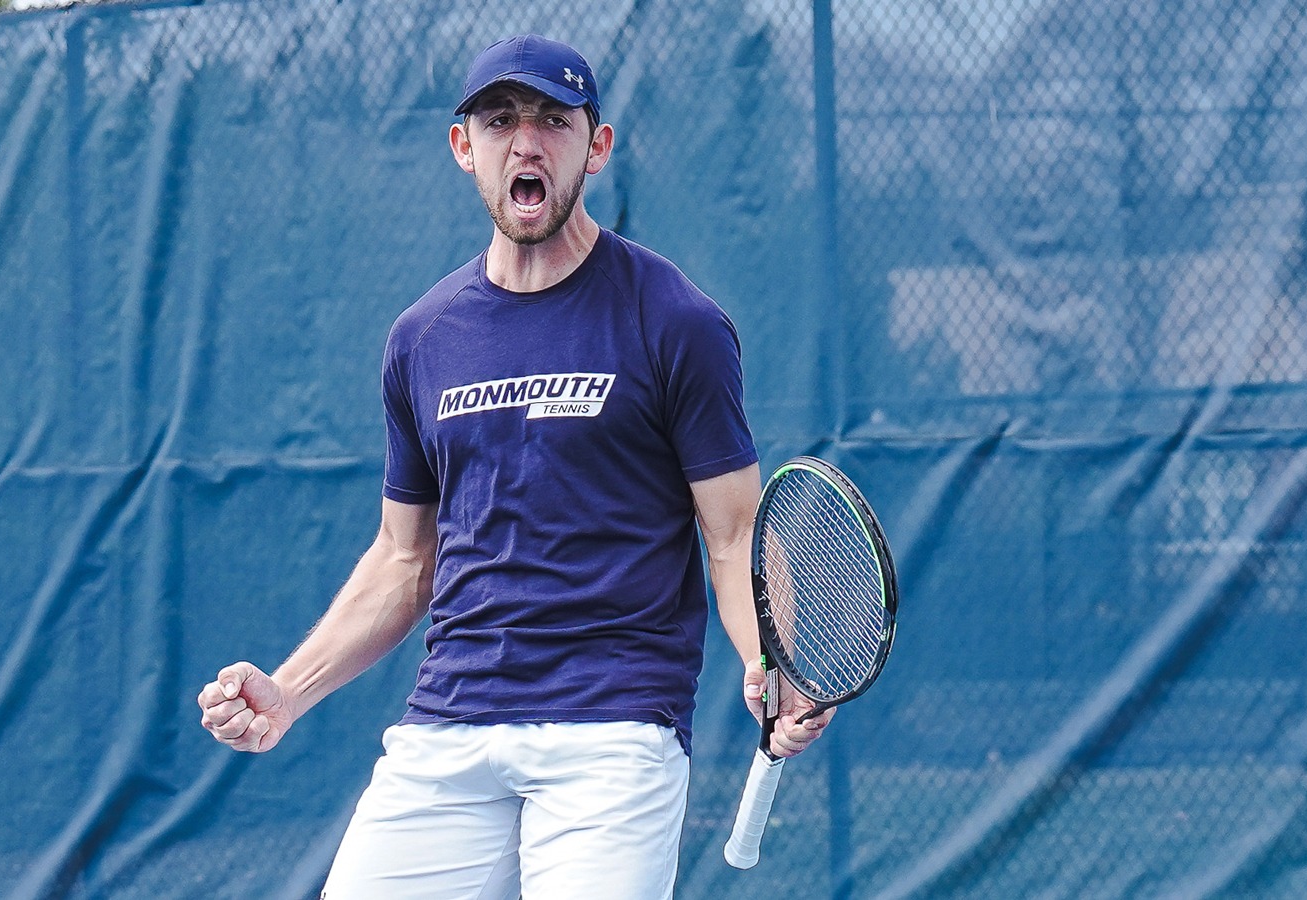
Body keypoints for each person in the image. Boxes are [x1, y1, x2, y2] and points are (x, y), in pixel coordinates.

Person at [197, 33, 832, 898]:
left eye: (552, 121)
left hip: (611, 731)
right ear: (465, 148)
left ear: (596, 147)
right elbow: (404, 559)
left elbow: (735, 532)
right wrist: (288, 691)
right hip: (447, 729)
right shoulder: (421, 339)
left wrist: (775, 662)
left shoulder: (676, 321)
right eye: (500, 121)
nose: (525, 143)